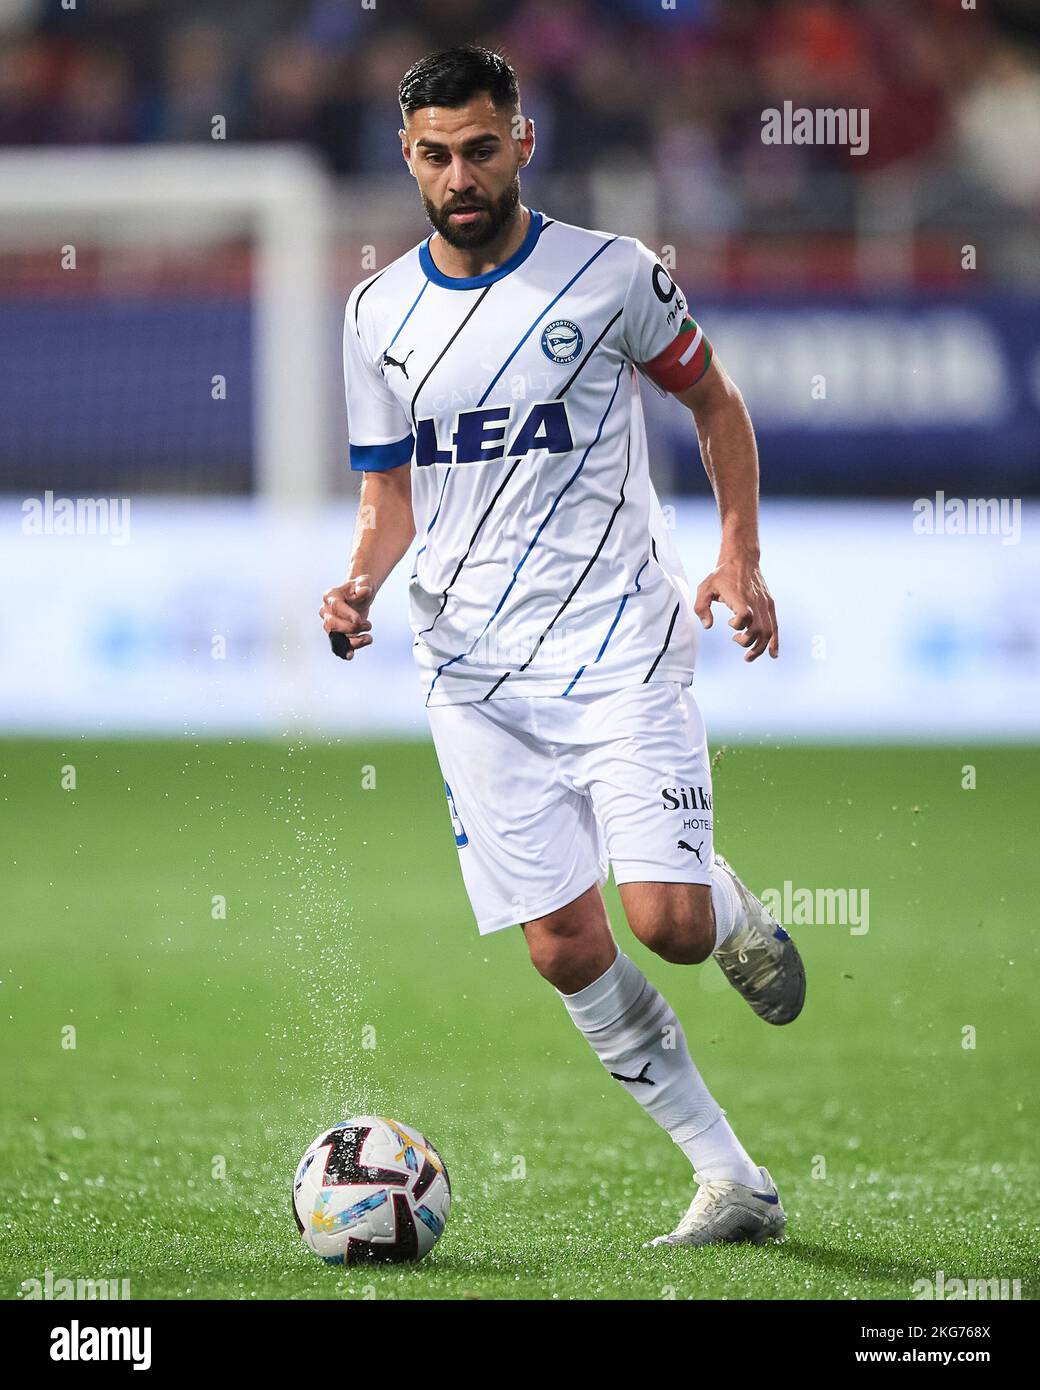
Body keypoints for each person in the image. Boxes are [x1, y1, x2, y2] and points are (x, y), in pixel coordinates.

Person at [320, 44, 805, 1247]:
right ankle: (730, 1179)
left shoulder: (611, 275)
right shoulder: (374, 313)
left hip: (617, 645)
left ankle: (724, 901)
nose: (459, 175)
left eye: (481, 149)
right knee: (562, 945)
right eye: (435, 155)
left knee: (668, 927)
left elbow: (715, 404)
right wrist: (357, 584)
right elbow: (387, 499)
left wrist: (736, 556)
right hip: (468, 672)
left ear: (521, 142)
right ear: (407, 158)